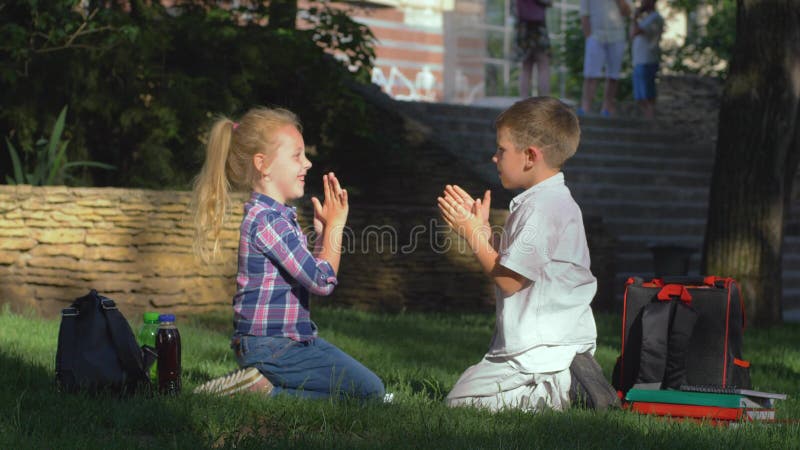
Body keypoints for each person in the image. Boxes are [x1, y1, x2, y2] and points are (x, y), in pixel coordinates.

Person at [191, 107, 385, 400]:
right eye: (297, 155)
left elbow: (310, 273)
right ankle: (255, 393)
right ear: (264, 165)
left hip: (286, 342)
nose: (307, 163)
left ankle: (257, 387)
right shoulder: (268, 221)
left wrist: (322, 237)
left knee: (365, 390)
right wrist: (335, 227)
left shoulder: (274, 217)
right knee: (370, 393)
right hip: (273, 346)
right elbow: (322, 282)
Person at [437, 97, 617, 412]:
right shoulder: (547, 201)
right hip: (549, 343)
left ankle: (559, 389)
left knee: (460, 403)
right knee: (463, 394)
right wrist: (485, 232)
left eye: (502, 149)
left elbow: (509, 281)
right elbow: (519, 264)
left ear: (530, 156)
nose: (494, 157)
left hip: (540, 350)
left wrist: (472, 233)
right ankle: (571, 377)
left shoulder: (542, 208)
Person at [579, 0, 632, 117]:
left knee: (613, 75)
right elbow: (584, 14)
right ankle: (585, 108)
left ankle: (607, 108)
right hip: (595, 36)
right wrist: (589, 36)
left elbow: (628, 12)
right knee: (590, 75)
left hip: (617, 36)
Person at [630, 0, 664, 119]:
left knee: (648, 94)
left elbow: (636, 31)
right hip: (639, 60)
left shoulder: (656, 18)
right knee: (640, 96)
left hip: (648, 60)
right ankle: (646, 117)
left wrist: (635, 17)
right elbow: (632, 33)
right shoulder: (645, 19)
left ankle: (650, 119)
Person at [513, 0, 552, 97]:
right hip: (537, 27)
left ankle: (523, 101)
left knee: (526, 66)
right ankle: (544, 101)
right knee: (543, 64)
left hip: (522, 26)